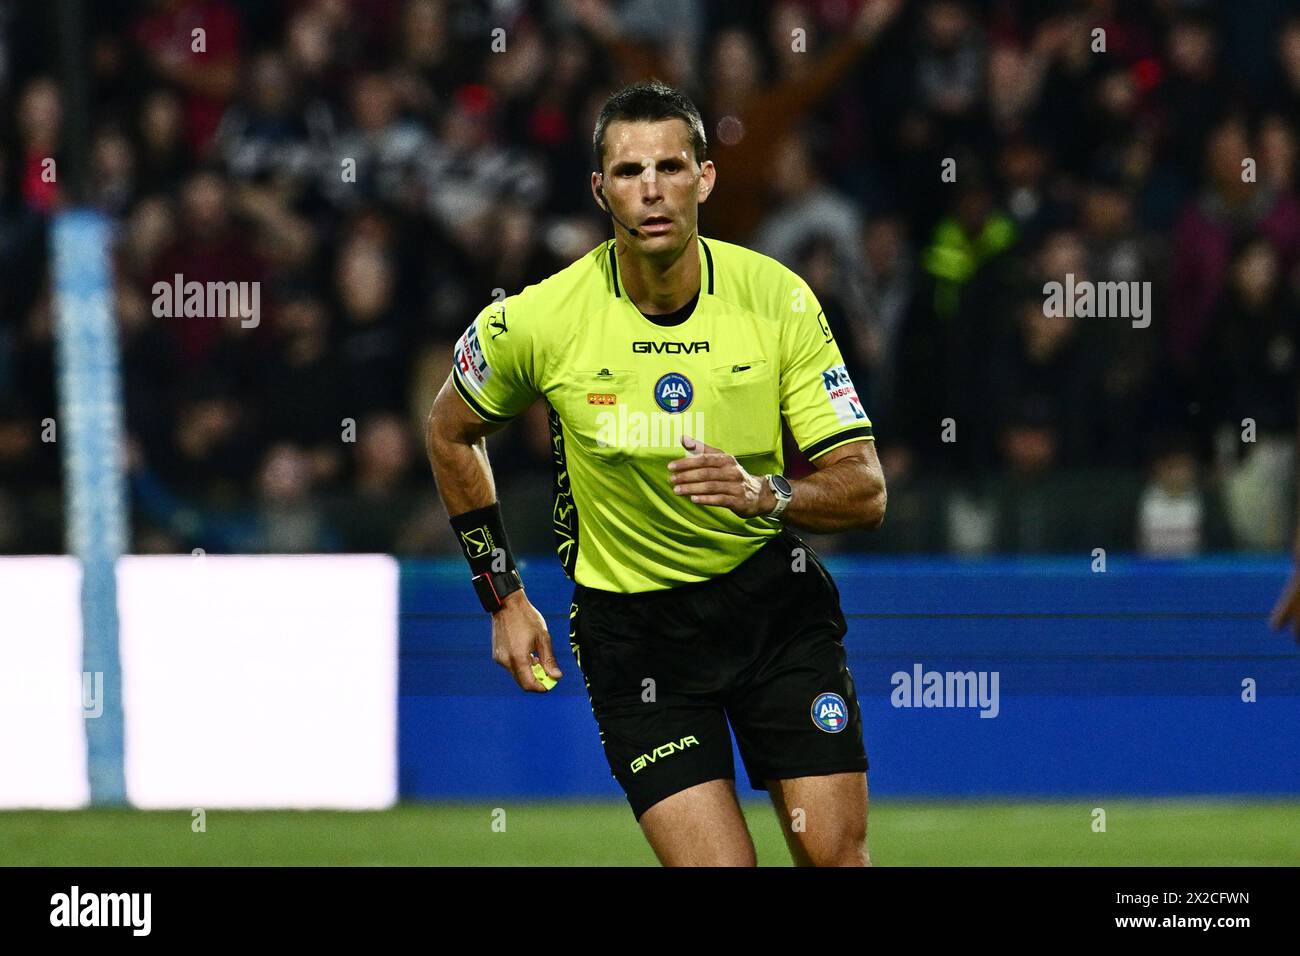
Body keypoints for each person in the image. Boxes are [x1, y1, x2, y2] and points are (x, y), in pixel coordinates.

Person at [425, 80, 886, 866]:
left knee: (833, 857)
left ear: (705, 178)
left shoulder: (778, 301)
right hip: (635, 637)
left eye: (670, 167)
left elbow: (866, 489)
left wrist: (767, 493)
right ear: (599, 189)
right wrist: (502, 597)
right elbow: (449, 432)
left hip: (770, 610)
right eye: (630, 172)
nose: (651, 190)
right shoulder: (540, 320)